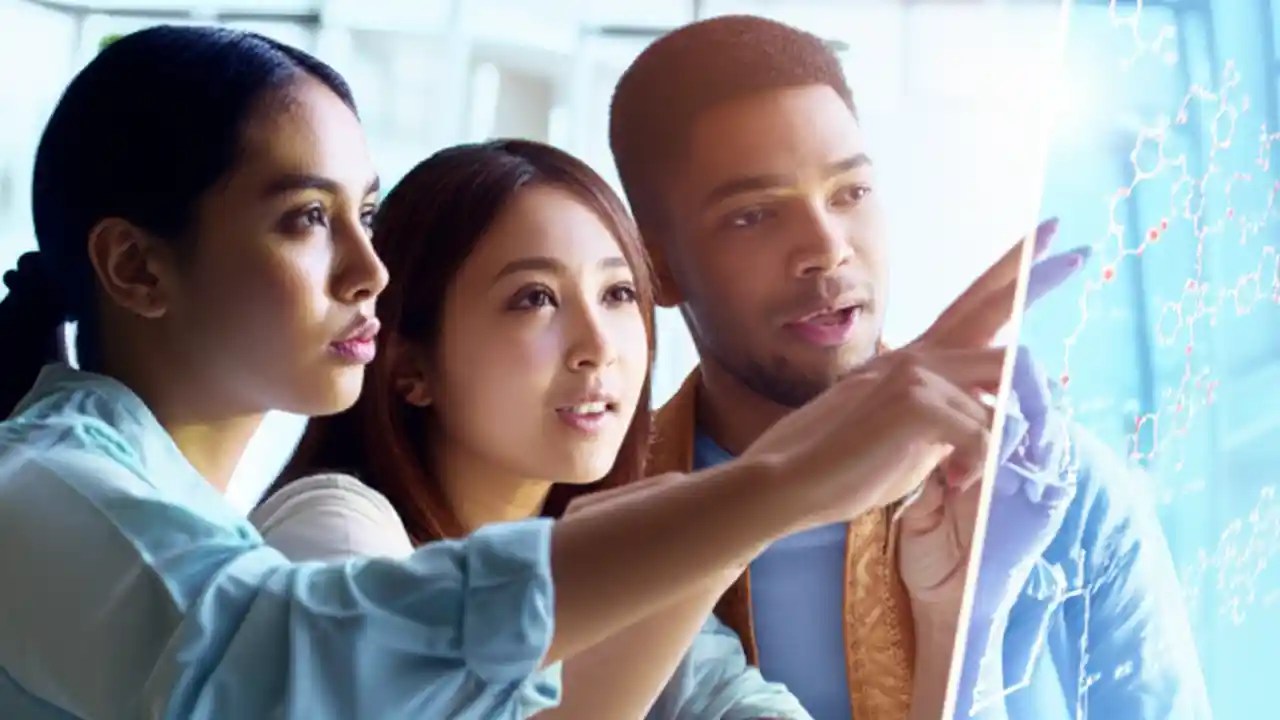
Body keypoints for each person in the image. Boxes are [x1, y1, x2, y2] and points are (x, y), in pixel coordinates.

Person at [0, 24, 1023, 720]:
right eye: (307, 217)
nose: (369, 270)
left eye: (366, 214)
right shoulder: (41, 486)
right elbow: (296, 662)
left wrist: (947, 613)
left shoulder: (182, 516)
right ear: (136, 267)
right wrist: (772, 487)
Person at [607, 14, 1211, 720]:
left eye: (851, 193)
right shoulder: (604, 520)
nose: (827, 248)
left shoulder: (1051, 490)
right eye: (754, 216)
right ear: (657, 267)